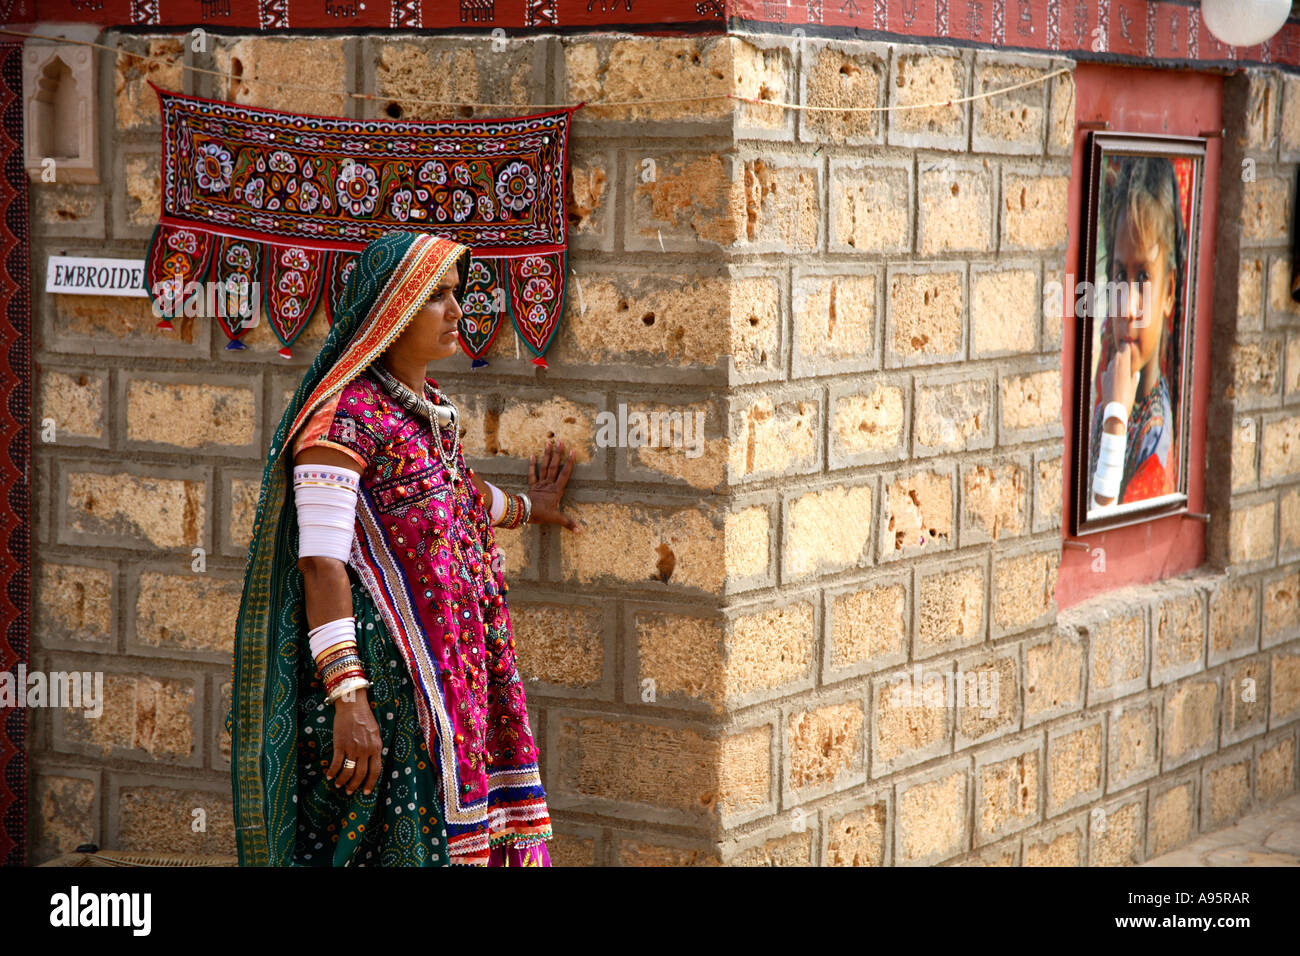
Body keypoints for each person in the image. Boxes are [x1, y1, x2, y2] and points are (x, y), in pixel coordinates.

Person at [231, 231, 580, 866]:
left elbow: (452, 498)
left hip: (459, 667)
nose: (457, 312)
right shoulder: (340, 424)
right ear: (391, 310)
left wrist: (530, 509)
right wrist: (349, 696)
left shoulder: (427, 409)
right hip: (392, 683)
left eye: (457, 295)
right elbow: (321, 562)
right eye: (436, 297)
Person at [1088, 155, 1187, 509]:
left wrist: (1116, 419)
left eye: (1143, 277)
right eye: (1119, 276)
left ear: (1169, 291)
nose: (1126, 306)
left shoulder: (1153, 438)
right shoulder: (1110, 368)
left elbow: (1104, 527)